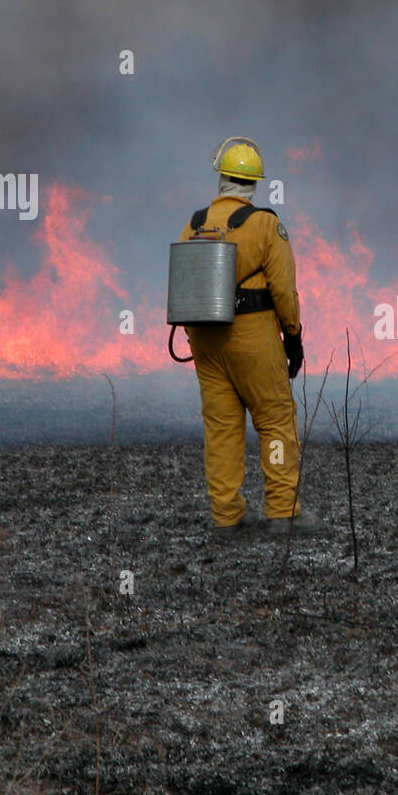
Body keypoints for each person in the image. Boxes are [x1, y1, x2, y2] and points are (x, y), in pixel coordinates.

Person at [176, 137, 317, 535]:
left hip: (204, 338)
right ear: (253, 184)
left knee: (221, 428)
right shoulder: (266, 224)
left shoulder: (195, 222)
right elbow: (283, 290)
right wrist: (293, 337)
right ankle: (281, 511)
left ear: (221, 177)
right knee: (274, 421)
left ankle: (227, 517)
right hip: (252, 335)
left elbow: (184, 281)